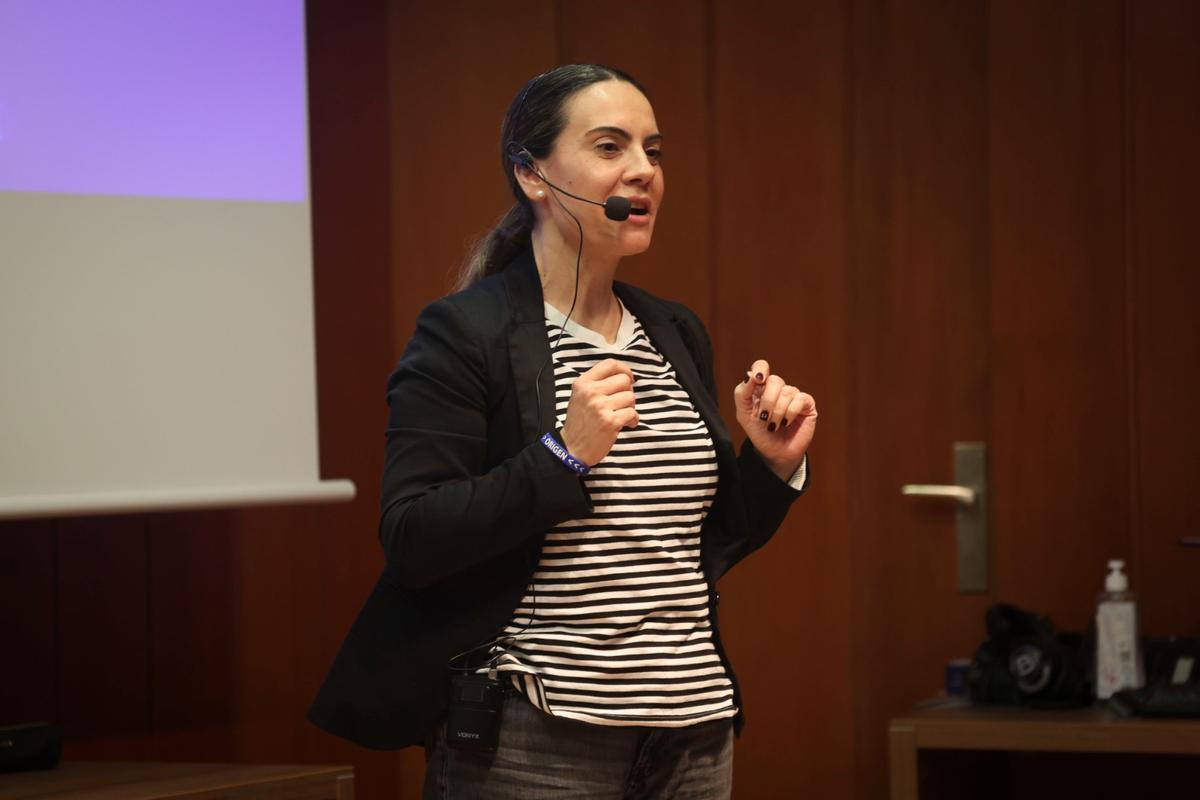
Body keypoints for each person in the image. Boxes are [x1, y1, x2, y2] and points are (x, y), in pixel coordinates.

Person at [309, 64, 818, 799]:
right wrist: (562, 456)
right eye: (611, 148)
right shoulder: (467, 332)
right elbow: (413, 534)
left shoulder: (673, 330)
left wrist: (769, 467)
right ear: (532, 175)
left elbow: (694, 542)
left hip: (692, 729)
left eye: (653, 150)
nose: (643, 171)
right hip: (537, 734)